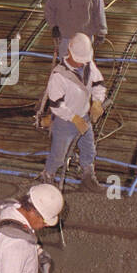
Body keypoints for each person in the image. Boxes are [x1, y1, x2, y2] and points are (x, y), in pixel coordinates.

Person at [38, 32, 107, 191]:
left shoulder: (88, 65)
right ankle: (48, 177)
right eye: (78, 61)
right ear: (69, 52)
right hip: (64, 122)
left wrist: (97, 102)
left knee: (89, 148)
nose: (81, 64)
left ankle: (88, 176)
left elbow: (98, 84)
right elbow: (56, 106)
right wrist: (74, 118)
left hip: (84, 117)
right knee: (58, 156)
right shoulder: (58, 76)